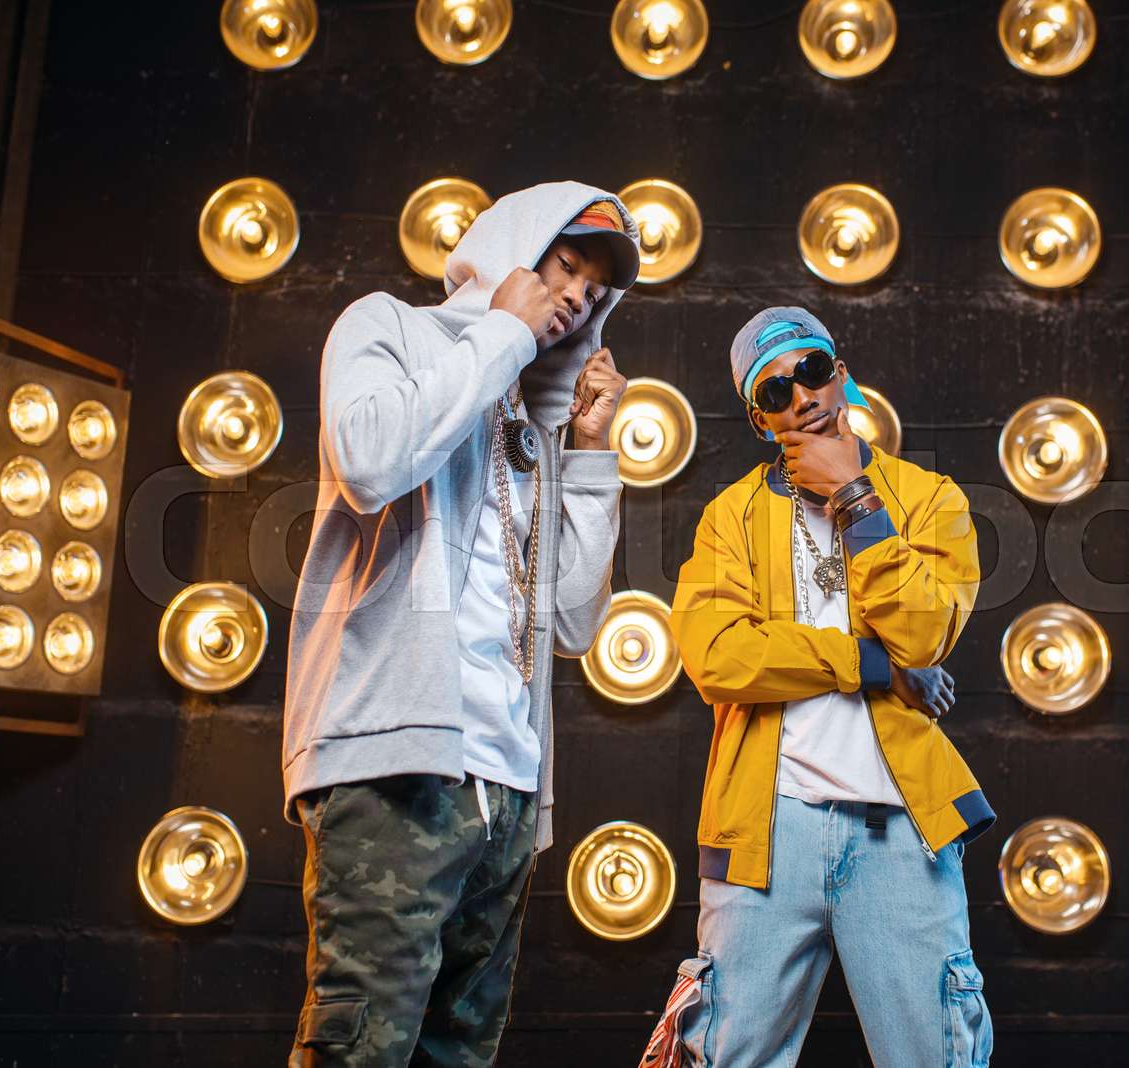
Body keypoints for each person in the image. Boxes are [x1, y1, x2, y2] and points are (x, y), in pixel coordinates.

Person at [281, 181, 638, 1066]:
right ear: (514, 243)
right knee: (360, 1048)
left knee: (457, 1055)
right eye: (564, 268)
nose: (573, 301)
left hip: (507, 788)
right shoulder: (390, 329)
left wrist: (588, 453)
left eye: (593, 298)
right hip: (398, 761)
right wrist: (503, 332)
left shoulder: (535, 428)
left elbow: (570, 621)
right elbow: (367, 462)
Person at [644, 306, 996, 1067]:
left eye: (811, 370)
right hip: (767, 829)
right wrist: (870, 665)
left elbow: (925, 631)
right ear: (758, 418)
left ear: (840, 372)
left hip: (900, 831)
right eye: (775, 391)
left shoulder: (930, 499)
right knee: (727, 1054)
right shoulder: (730, 517)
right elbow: (717, 657)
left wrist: (856, 498)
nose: (800, 396)